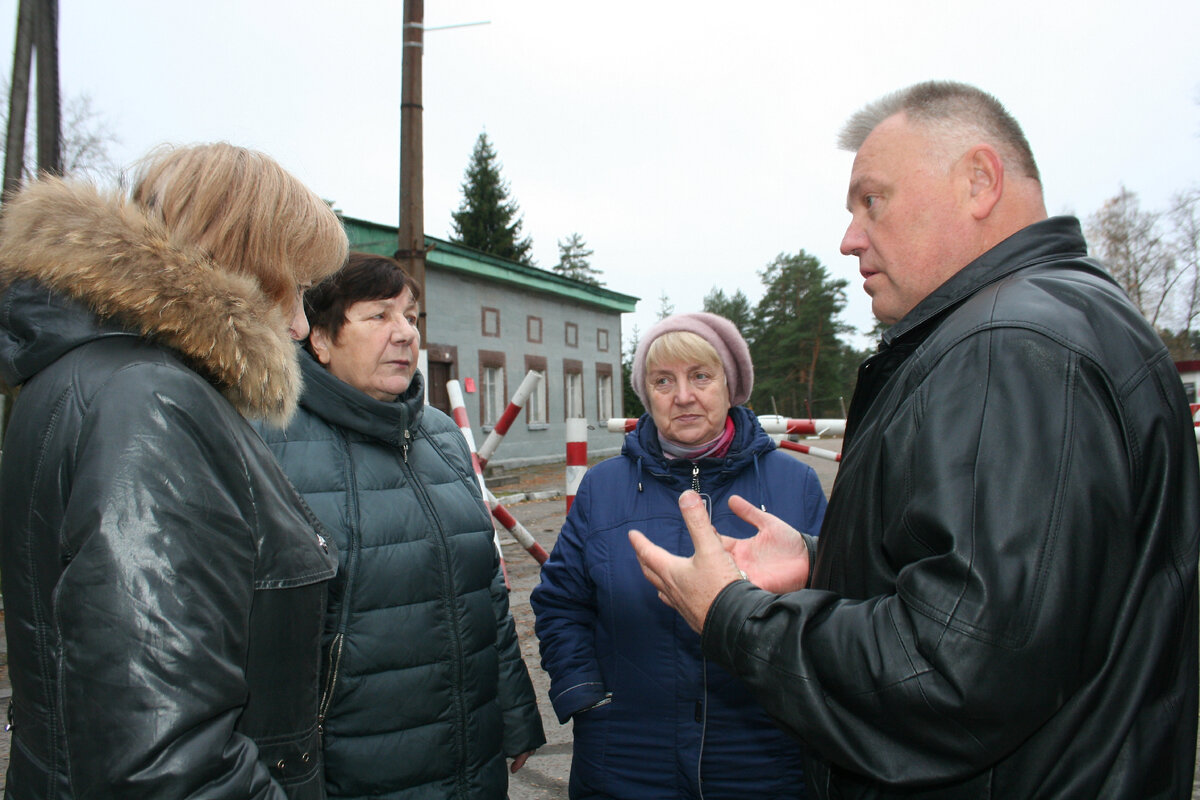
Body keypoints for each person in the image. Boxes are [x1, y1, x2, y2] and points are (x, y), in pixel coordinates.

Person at [630, 81, 1200, 797]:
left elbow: (957, 673)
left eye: (873, 201)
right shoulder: (1066, 318)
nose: (849, 239)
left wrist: (734, 616)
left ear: (979, 181)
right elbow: (1028, 600)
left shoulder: (1009, 347)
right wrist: (823, 563)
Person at [0, 143, 349, 798]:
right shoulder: (152, 404)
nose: (301, 325)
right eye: (297, 290)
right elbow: (168, 765)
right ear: (249, 266)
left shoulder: (89, 375)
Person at [254, 252, 545, 799]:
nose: (405, 333)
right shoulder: (269, 440)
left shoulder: (440, 435)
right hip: (350, 768)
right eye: (379, 316)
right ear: (320, 339)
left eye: (410, 316)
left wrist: (514, 710)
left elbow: (484, 585)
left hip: (471, 755)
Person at [532, 312, 828, 799]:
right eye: (663, 380)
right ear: (646, 395)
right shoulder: (604, 487)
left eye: (700, 376)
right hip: (624, 754)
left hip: (763, 753)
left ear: (731, 386)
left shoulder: (794, 484)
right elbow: (562, 601)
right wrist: (584, 693)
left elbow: (835, 605)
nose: (683, 396)